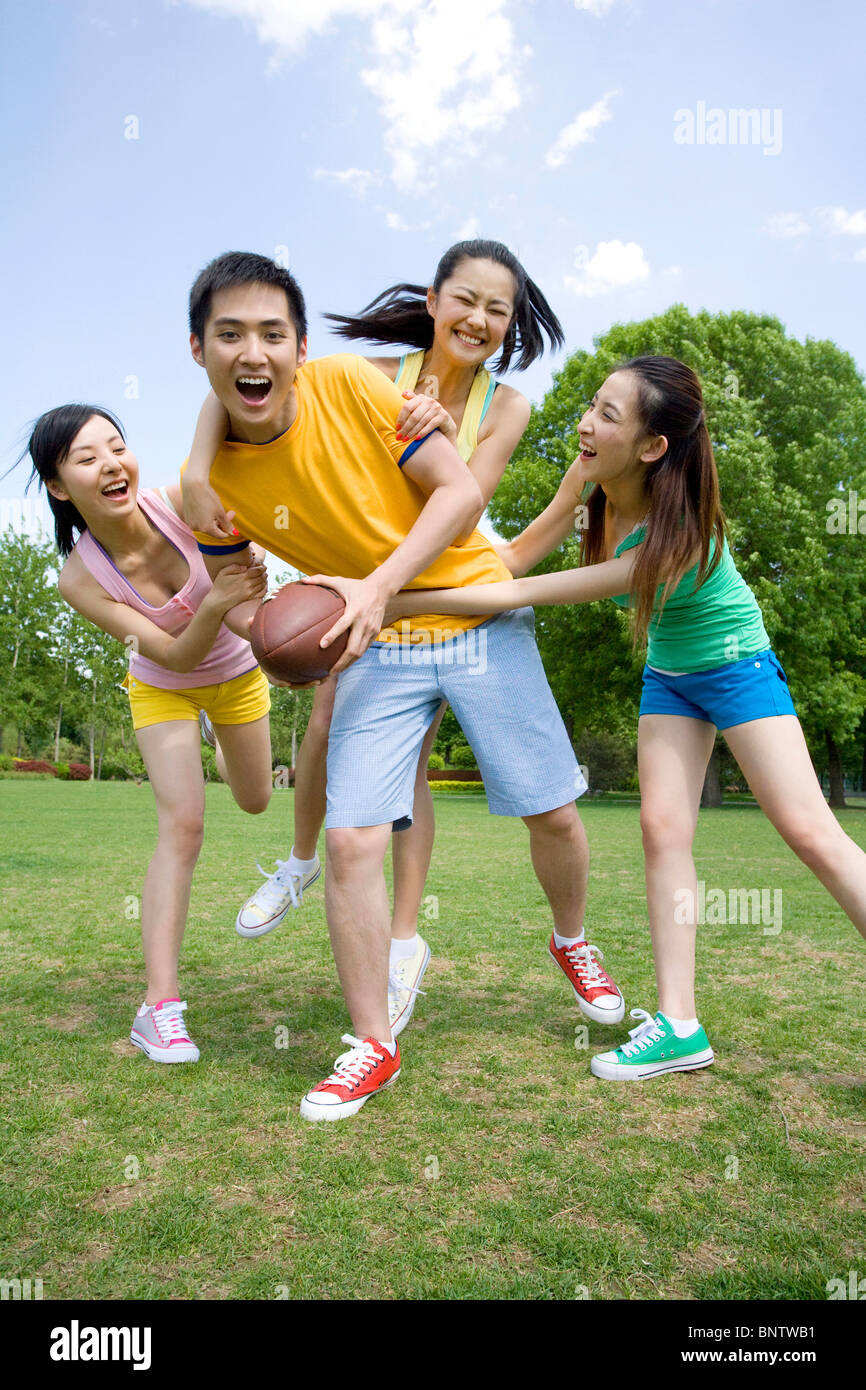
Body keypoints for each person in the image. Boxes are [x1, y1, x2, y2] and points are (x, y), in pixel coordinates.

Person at [180, 249, 624, 1122]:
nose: (252, 352)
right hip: (374, 638)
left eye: (273, 334)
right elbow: (237, 595)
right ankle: (371, 1044)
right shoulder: (212, 483)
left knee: (554, 813)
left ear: (301, 347)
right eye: (228, 336)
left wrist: (378, 586)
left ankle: (571, 940)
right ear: (197, 349)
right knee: (354, 843)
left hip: (474, 614)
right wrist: (278, 638)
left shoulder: (354, 384)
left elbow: (459, 495)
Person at [344, 354, 866, 1079]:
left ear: (654, 446)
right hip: (671, 678)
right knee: (660, 832)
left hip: (737, 666)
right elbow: (513, 560)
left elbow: (510, 597)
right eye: (594, 405)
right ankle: (680, 1026)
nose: (586, 424)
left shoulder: (670, 540)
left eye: (608, 417)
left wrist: (386, 597)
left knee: (811, 833)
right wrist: (403, 566)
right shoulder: (589, 478)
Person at [24, 404, 271, 1063]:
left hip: (239, 672)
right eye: (86, 458)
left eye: (116, 446)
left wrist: (267, 629)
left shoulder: (181, 502)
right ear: (58, 486)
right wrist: (215, 600)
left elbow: (251, 572)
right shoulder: (79, 579)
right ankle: (158, 1007)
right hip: (164, 685)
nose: (110, 464)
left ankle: (219, 747)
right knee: (182, 826)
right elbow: (173, 656)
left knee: (254, 799)